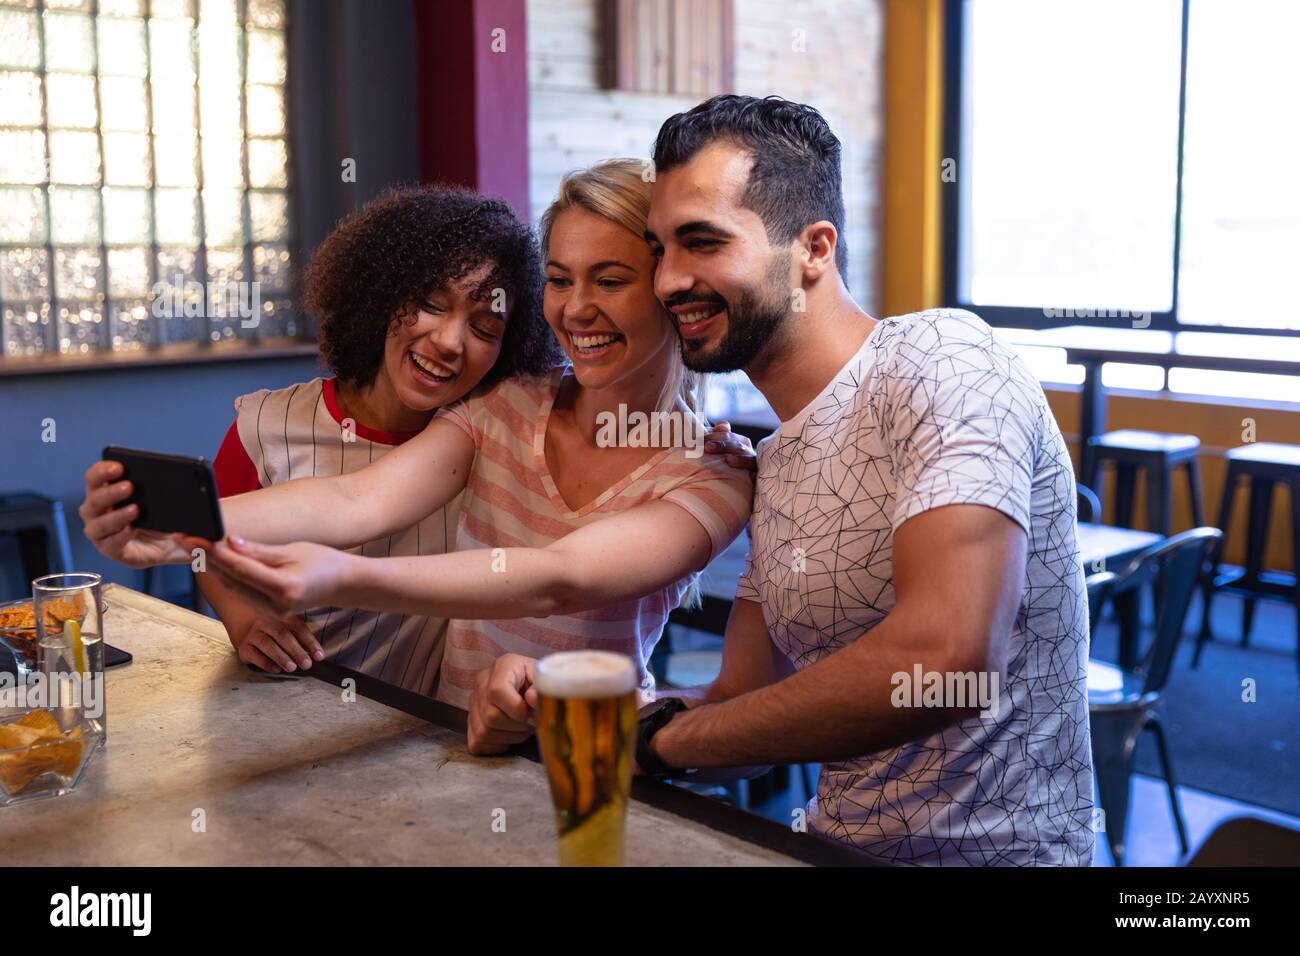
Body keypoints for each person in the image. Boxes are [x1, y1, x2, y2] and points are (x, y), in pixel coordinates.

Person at [480, 96, 1094, 866]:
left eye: (702, 243)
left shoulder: (942, 358)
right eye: (659, 250)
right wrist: (576, 705)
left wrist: (659, 739)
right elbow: (742, 721)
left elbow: (949, 663)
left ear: (813, 248)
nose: (670, 279)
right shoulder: (774, 463)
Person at [79, 160, 756, 727]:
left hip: (589, 754)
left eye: (609, 280)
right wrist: (173, 526)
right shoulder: (507, 403)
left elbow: (559, 579)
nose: (575, 309)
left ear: (671, 288)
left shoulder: (714, 475)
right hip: (445, 741)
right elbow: (358, 498)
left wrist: (345, 576)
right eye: (558, 280)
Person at [195, 185, 563, 692]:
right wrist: (243, 621)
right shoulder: (264, 424)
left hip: (407, 737)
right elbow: (205, 547)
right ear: (380, 291)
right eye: (432, 303)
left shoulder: (487, 439)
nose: (449, 342)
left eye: (483, 327)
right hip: (266, 716)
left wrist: (694, 433)